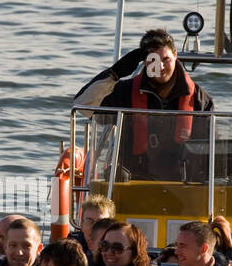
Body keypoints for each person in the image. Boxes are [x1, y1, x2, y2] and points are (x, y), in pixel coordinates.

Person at [71, 29, 214, 180]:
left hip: (183, 186)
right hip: (134, 184)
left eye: (166, 59)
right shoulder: (125, 92)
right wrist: (115, 73)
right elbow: (83, 106)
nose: (161, 67)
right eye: (154, 61)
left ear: (175, 55)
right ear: (145, 62)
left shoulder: (200, 99)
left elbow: (210, 150)